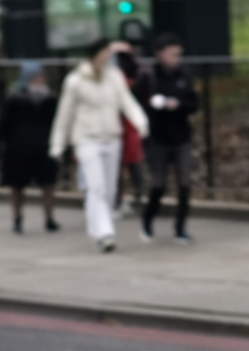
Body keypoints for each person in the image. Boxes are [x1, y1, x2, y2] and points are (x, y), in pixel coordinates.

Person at [50, 38, 148, 252]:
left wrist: (140, 121)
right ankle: (105, 233)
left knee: (110, 189)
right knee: (96, 187)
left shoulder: (114, 77)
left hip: (112, 138)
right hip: (87, 139)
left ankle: (97, 226)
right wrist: (57, 144)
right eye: (106, 52)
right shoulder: (75, 81)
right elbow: (64, 115)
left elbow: (126, 101)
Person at [136, 33, 200, 244]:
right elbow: (137, 101)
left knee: (184, 182)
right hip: (158, 137)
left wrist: (178, 105)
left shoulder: (184, 75)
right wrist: (154, 105)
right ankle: (147, 220)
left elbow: (193, 103)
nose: (176, 59)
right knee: (159, 183)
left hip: (180, 135)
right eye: (172, 54)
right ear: (160, 54)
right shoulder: (149, 75)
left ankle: (180, 228)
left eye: (178, 55)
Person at [0, 62, 61, 235]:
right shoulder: (14, 98)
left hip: (44, 147)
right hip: (18, 148)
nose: (40, 79)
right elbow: (2, 124)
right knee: (17, 186)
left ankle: (49, 218)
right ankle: (17, 218)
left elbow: (59, 124)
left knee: (48, 185)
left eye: (42, 75)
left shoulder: (51, 99)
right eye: (36, 76)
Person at [111, 44, 147, 219]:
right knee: (122, 167)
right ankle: (125, 201)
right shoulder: (112, 77)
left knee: (132, 164)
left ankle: (136, 200)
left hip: (128, 125)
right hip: (118, 125)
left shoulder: (135, 76)